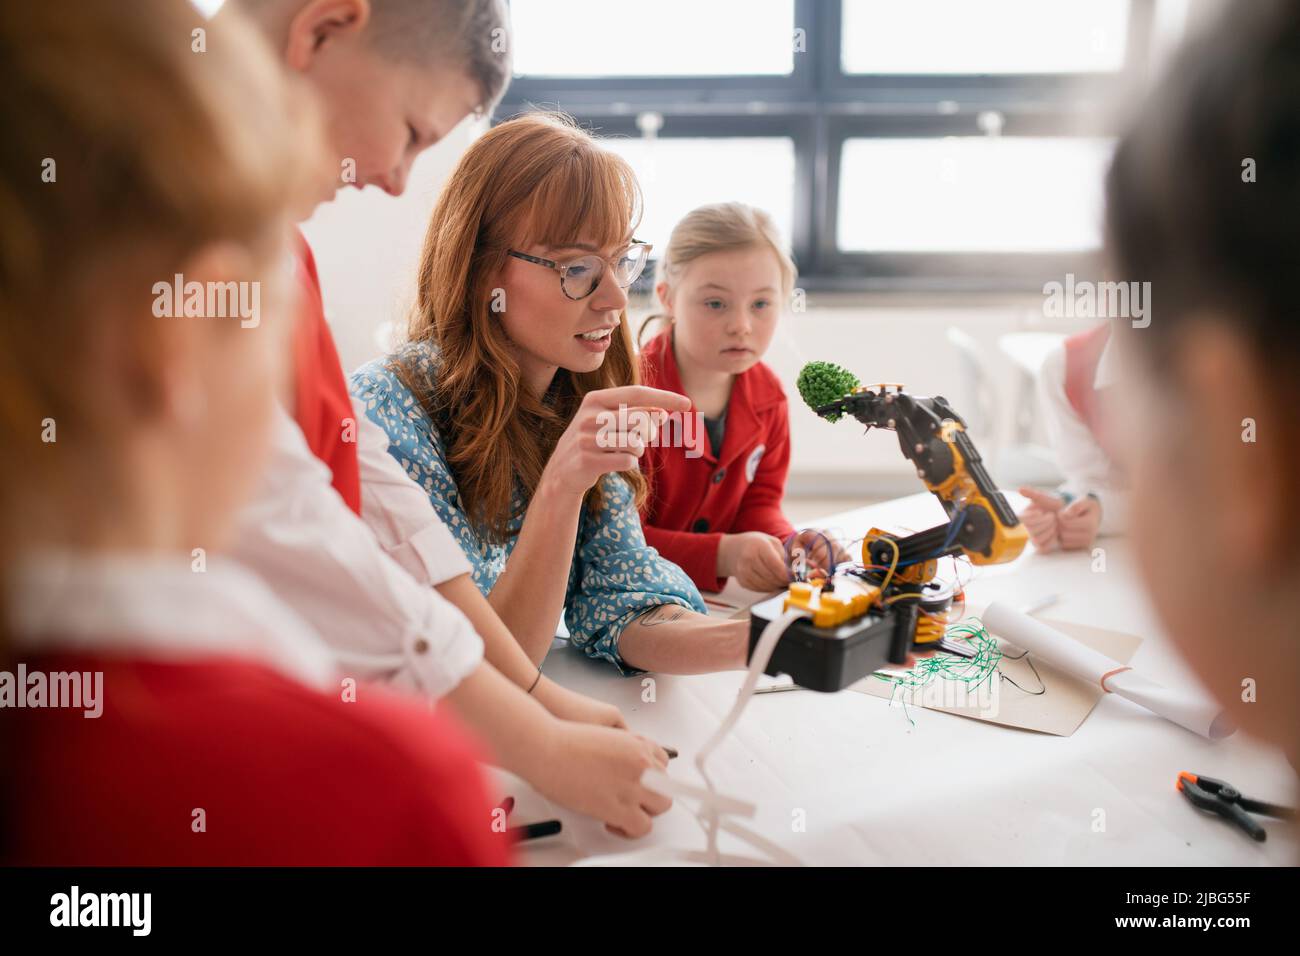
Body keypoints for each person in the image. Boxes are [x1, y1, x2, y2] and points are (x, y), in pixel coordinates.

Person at [0, 0, 507, 865]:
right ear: (177, 335)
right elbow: (295, 503)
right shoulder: (383, 791)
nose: (397, 177)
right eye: (414, 134)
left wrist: (519, 695)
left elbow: (352, 459)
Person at [352, 113, 758, 676]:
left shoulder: (576, 392)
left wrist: (766, 640)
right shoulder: (387, 412)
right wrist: (563, 485)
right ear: (481, 270)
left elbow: (623, 598)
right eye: (578, 268)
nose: (615, 298)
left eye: (621, 261)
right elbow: (477, 671)